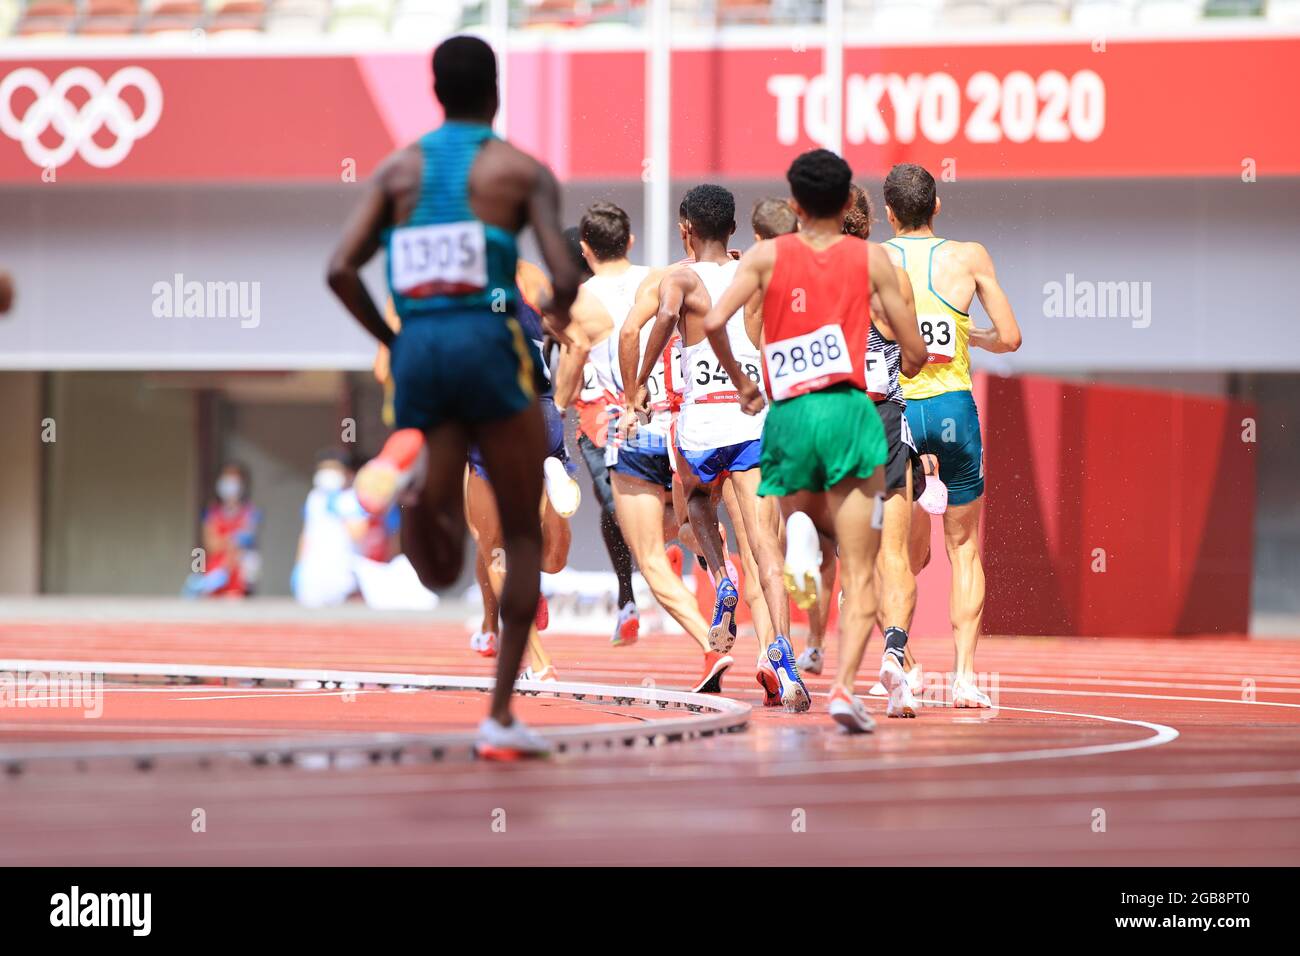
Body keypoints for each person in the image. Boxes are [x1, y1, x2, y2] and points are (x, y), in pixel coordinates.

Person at [326, 35, 579, 759]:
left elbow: (340, 269)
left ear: (435, 93)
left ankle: (416, 493)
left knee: (444, 553)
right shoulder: (520, 171)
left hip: (424, 353)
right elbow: (563, 277)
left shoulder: (398, 170)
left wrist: (394, 334)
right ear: (494, 93)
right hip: (485, 345)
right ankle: (500, 714)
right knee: (521, 536)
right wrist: (547, 316)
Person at [702, 149, 918, 732]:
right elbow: (915, 351)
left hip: (790, 413)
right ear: (850, 203)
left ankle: (800, 534)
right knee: (862, 561)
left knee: (780, 532)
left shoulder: (768, 257)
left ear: (793, 205)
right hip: (851, 411)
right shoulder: (872, 260)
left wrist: (746, 380)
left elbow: (716, 323)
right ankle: (846, 688)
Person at [625, 184, 804, 710]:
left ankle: (721, 578)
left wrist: (637, 385)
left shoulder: (679, 278)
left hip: (700, 426)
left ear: (685, 230)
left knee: (697, 502)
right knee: (767, 549)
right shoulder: (754, 269)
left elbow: (661, 323)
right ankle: (784, 658)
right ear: (733, 231)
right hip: (750, 419)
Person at [882, 163, 1021, 708]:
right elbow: (1010, 337)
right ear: (937, 206)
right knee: (963, 547)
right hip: (954, 410)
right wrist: (968, 337)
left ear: (888, 213)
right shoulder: (970, 256)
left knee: (896, 550)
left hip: (897, 411)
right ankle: (964, 678)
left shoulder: (875, 260)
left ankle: (903, 661)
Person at [551, 204, 642, 647]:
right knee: (617, 505)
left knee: (615, 505)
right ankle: (630, 592)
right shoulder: (633, 284)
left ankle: (631, 591)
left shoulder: (584, 301)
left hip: (603, 414)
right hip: (624, 411)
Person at [291, 451, 368, 607]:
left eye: (333, 469)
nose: (327, 473)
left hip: (342, 575)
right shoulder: (314, 497)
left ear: (345, 473)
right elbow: (306, 535)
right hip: (312, 573)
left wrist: (340, 510)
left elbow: (359, 534)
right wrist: (298, 565)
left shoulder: (353, 498)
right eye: (323, 469)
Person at [184, 462, 261, 598]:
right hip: (214, 574)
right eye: (226, 478)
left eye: (234, 480)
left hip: (236, 578)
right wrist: (231, 541)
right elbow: (210, 544)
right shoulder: (212, 512)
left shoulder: (249, 512)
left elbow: (244, 543)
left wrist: (228, 565)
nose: (229, 484)